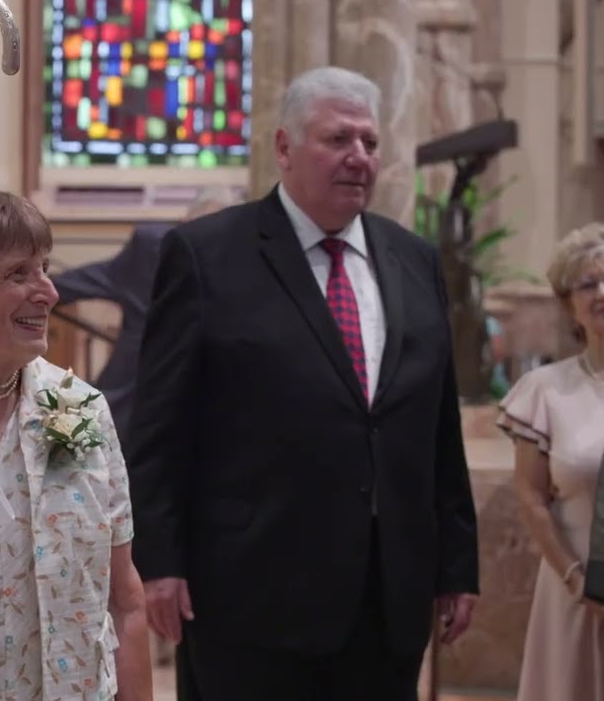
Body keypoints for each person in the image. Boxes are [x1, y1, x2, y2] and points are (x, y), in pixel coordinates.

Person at [127, 65, 480, 701]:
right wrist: (159, 563)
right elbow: (160, 427)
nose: (359, 158)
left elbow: (437, 429)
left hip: (387, 596)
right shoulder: (209, 256)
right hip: (250, 594)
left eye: (370, 143)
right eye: (338, 139)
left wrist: (457, 565)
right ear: (284, 148)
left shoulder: (414, 260)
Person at [0, 190, 152, 700]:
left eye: (44, 268)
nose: (49, 292)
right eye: (19, 274)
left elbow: (124, 599)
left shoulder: (77, 408)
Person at [497, 222, 604, 701]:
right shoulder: (546, 391)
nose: (601, 292)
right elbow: (530, 496)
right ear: (569, 306)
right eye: (587, 283)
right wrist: (575, 580)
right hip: (575, 590)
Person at [51, 186, 240, 449]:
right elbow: (90, 280)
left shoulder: (241, 266)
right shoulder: (151, 249)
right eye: (203, 228)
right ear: (186, 221)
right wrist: (36, 292)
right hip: (135, 399)